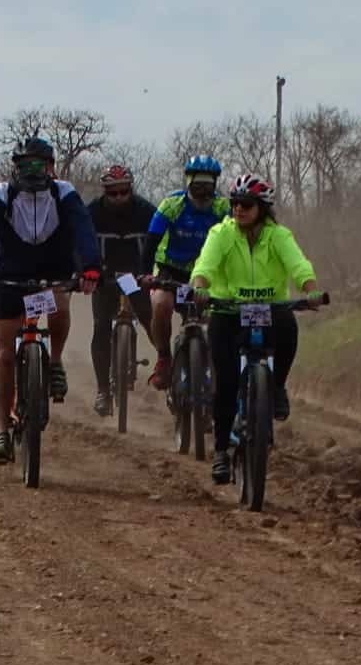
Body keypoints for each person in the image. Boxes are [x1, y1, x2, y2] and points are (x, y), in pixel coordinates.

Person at [0, 136, 100, 462]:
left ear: (50, 166)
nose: (33, 171)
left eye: (40, 164)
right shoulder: (2, 194)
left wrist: (91, 267)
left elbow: (83, 230)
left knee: (61, 305)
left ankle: (55, 362)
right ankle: (1, 429)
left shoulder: (64, 193)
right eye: (26, 165)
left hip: (54, 269)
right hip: (11, 272)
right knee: (5, 353)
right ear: (16, 167)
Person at [191, 174, 320, 484]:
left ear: (262, 208)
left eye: (246, 204)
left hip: (271, 310)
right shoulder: (221, 233)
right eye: (234, 204)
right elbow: (204, 266)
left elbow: (298, 265)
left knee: (289, 328)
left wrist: (310, 288)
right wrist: (200, 287)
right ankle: (221, 451)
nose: (238, 210)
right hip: (227, 309)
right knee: (225, 383)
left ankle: (276, 389)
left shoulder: (279, 236)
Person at [146, 155, 229, 390]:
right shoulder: (172, 205)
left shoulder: (224, 208)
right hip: (171, 270)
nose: (203, 188)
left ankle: (216, 367)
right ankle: (163, 358)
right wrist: (146, 274)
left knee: (217, 320)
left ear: (215, 183)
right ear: (188, 180)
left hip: (208, 274)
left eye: (208, 183)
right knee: (161, 305)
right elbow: (151, 241)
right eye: (197, 182)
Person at [85, 164, 159, 417]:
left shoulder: (147, 211)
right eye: (112, 193)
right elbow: (80, 244)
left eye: (123, 192)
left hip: (137, 276)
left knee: (152, 320)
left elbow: (161, 243)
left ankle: (165, 365)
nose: (118, 197)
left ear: (131, 189)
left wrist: (154, 274)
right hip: (103, 276)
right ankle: (103, 390)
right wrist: (84, 271)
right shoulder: (92, 212)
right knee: (101, 327)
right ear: (104, 191)